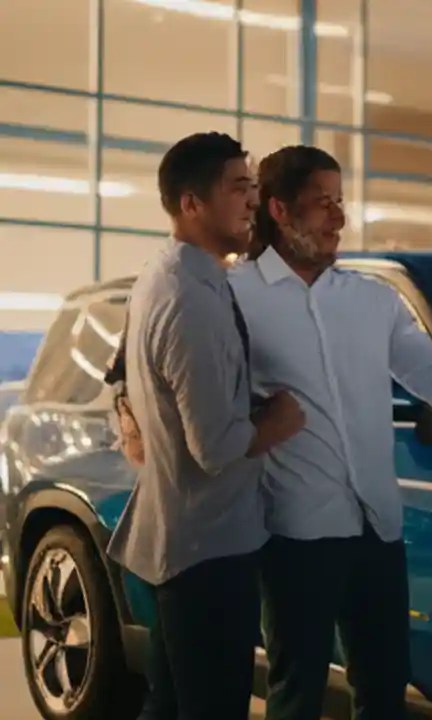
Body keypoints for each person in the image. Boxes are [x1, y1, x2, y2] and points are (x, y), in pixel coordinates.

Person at [229, 145, 432, 720]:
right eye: (322, 201)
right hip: (293, 533)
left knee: (383, 693)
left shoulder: (372, 301)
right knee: (296, 694)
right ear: (278, 209)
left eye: (340, 200)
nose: (339, 216)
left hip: (376, 529)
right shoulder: (236, 296)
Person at [106, 132, 307, 720]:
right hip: (208, 549)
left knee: (172, 705)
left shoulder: (169, 273)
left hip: (188, 541)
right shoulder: (189, 299)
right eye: (239, 188)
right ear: (191, 203)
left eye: (253, 187)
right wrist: (278, 421)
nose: (253, 201)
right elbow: (216, 447)